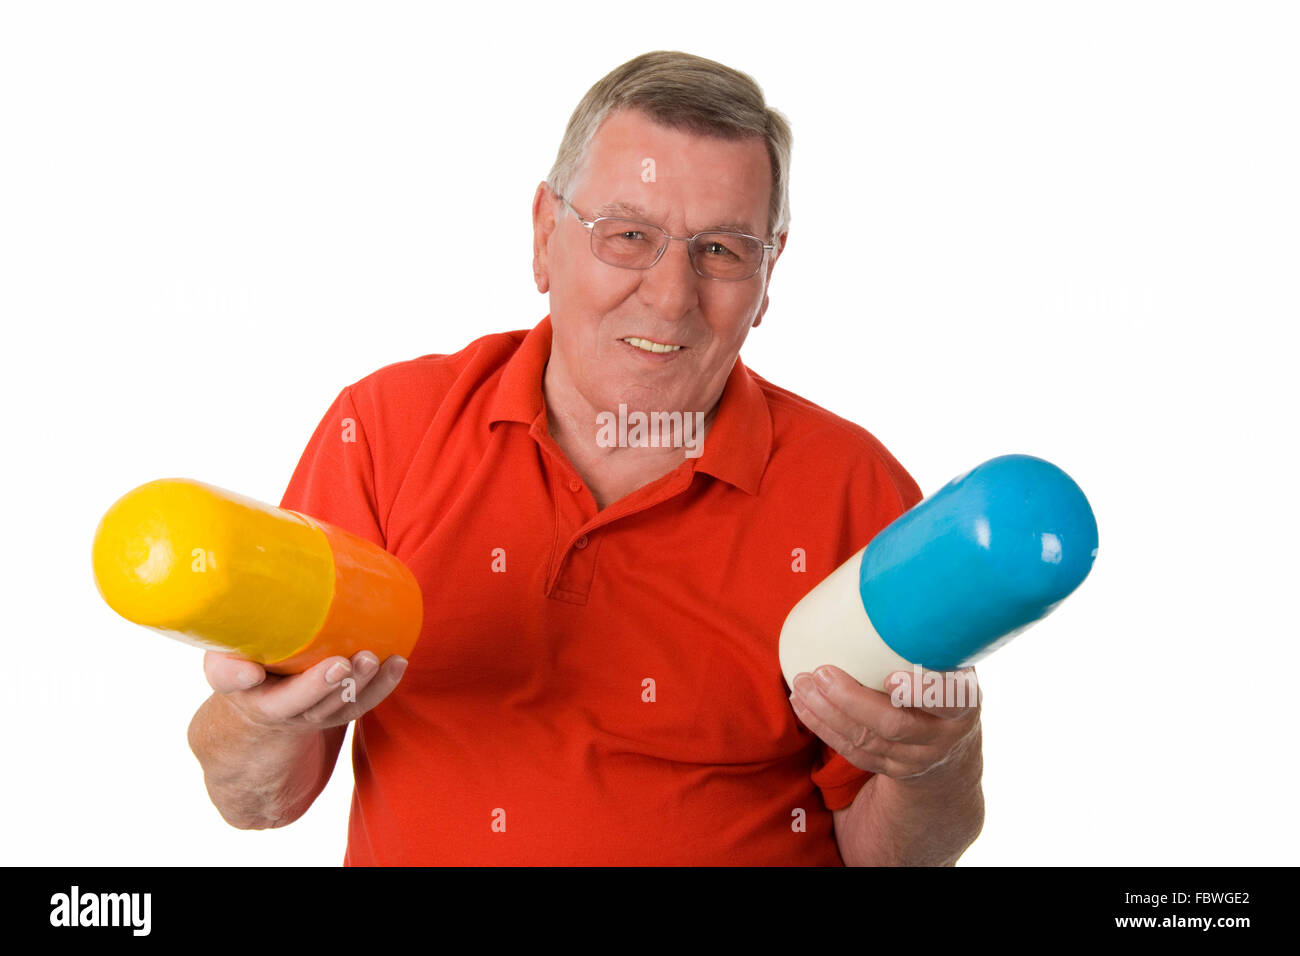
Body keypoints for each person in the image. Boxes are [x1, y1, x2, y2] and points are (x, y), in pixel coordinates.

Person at [187, 50, 984, 866]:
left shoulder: (854, 492)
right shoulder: (387, 431)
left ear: (769, 272)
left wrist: (936, 765)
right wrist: (254, 722)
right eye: (629, 235)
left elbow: (896, 858)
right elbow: (261, 800)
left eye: (720, 250)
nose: (671, 297)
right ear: (544, 235)